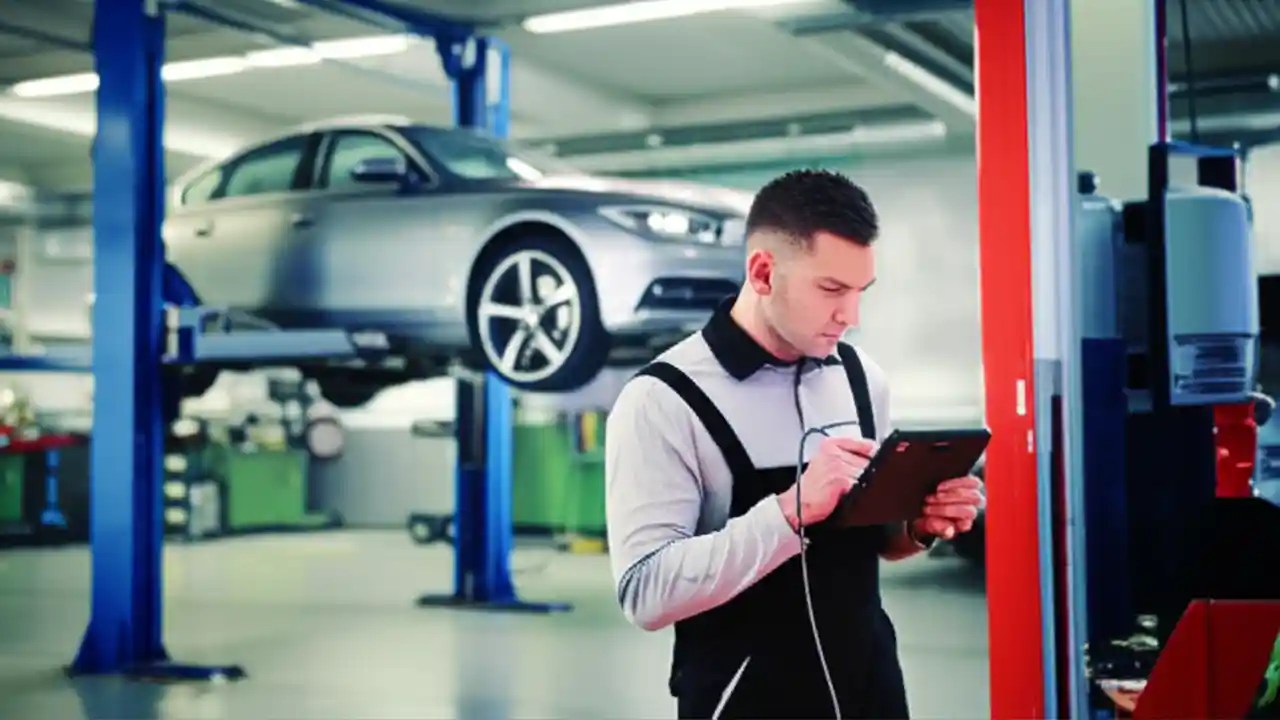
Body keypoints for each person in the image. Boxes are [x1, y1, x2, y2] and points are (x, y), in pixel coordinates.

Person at [603, 169, 986, 719]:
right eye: (831, 289)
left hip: (870, 692)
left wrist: (919, 526)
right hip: (741, 702)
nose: (849, 317)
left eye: (859, 293)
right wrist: (788, 512)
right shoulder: (663, 401)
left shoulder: (861, 378)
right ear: (762, 272)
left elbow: (878, 542)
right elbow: (645, 593)